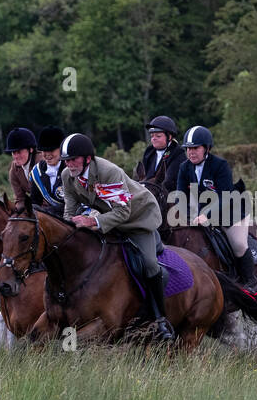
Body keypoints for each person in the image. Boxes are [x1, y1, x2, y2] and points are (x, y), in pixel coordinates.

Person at [59, 133, 175, 341]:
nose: (69, 164)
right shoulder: (67, 176)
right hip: (108, 217)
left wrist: (92, 222)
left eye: (73, 159)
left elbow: (123, 212)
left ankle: (160, 319)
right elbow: (69, 212)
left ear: (87, 158)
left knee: (149, 264)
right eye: (66, 160)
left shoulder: (108, 172)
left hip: (138, 218)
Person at [174, 125, 257, 294]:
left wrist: (206, 215)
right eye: (188, 149)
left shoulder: (220, 165)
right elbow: (180, 195)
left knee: (238, 244)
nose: (191, 152)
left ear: (206, 148)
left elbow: (225, 196)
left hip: (232, 211)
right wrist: (187, 215)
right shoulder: (185, 167)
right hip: (204, 212)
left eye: (195, 148)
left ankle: (251, 281)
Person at [138, 115, 187, 189]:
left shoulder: (178, 154)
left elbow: (168, 182)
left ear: (169, 137)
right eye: (152, 136)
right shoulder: (149, 153)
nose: (154, 139)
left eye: (158, 136)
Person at [28, 126, 66, 216]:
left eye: (51, 150)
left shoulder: (71, 168)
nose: (47, 154)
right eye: (44, 150)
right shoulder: (37, 171)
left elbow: (75, 203)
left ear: (61, 149)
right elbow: (35, 201)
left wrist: (48, 211)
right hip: (53, 217)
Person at [5, 127, 38, 207]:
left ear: (30, 149)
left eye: (19, 152)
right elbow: (20, 198)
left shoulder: (41, 164)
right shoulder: (14, 169)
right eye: (13, 152)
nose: (16, 156)